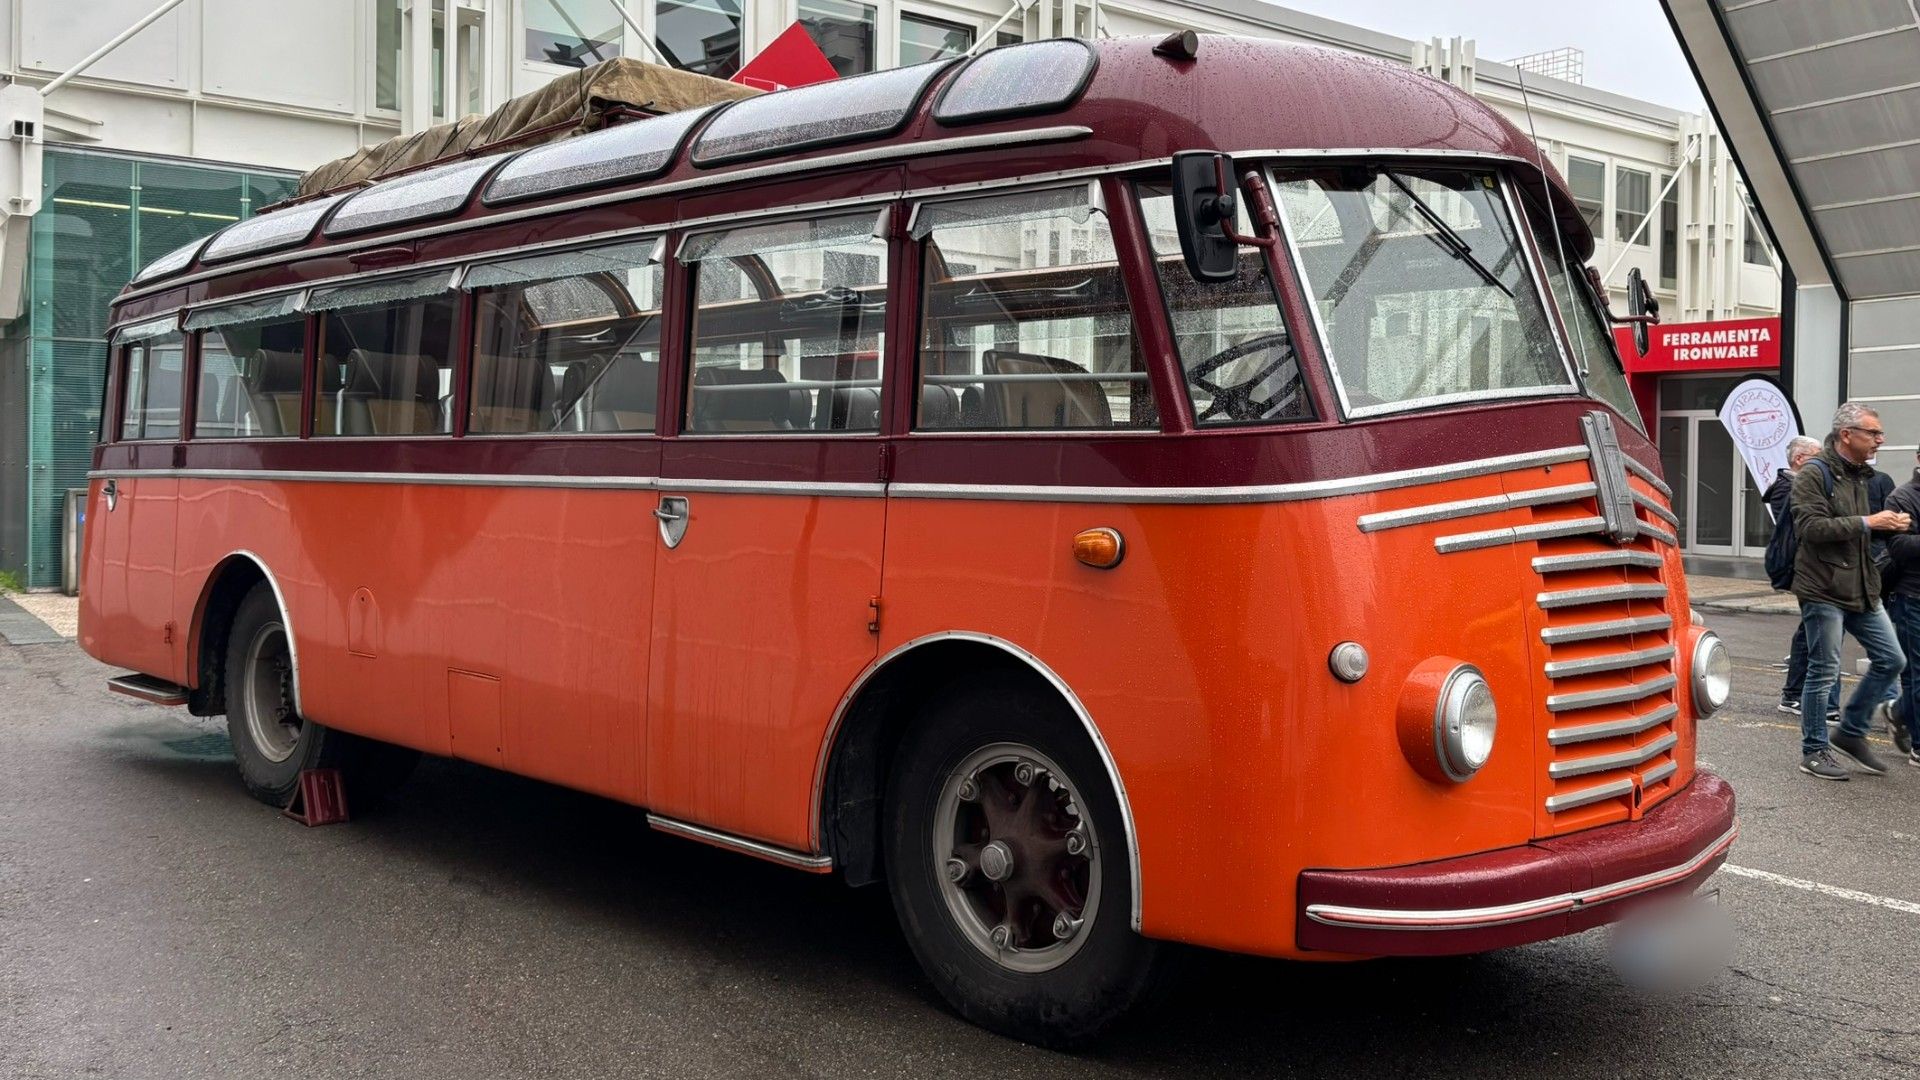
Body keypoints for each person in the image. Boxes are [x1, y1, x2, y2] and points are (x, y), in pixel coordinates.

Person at [1792, 403, 1911, 780]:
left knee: (1892, 660)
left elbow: (1854, 532)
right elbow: (1811, 528)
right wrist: (1867, 521)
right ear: (1847, 434)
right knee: (1823, 670)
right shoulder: (1814, 473)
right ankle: (1814, 751)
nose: (1881, 439)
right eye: (1873, 433)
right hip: (1823, 587)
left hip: (1862, 586)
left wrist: (1886, 526)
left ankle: (1851, 731)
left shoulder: (1862, 475)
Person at [1768, 437, 1840, 718]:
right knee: (1810, 632)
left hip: (1813, 567)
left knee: (1809, 630)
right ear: (1800, 459)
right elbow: (1804, 526)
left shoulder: (1800, 484)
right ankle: (1794, 694)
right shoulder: (1786, 488)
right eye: (1818, 456)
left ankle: (1796, 691)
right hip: (1803, 568)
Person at [1879, 466, 1920, 766]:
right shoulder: (1901, 497)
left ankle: (1899, 711)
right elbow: (1898, 547)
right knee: (1917, 674)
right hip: (1912, 597)